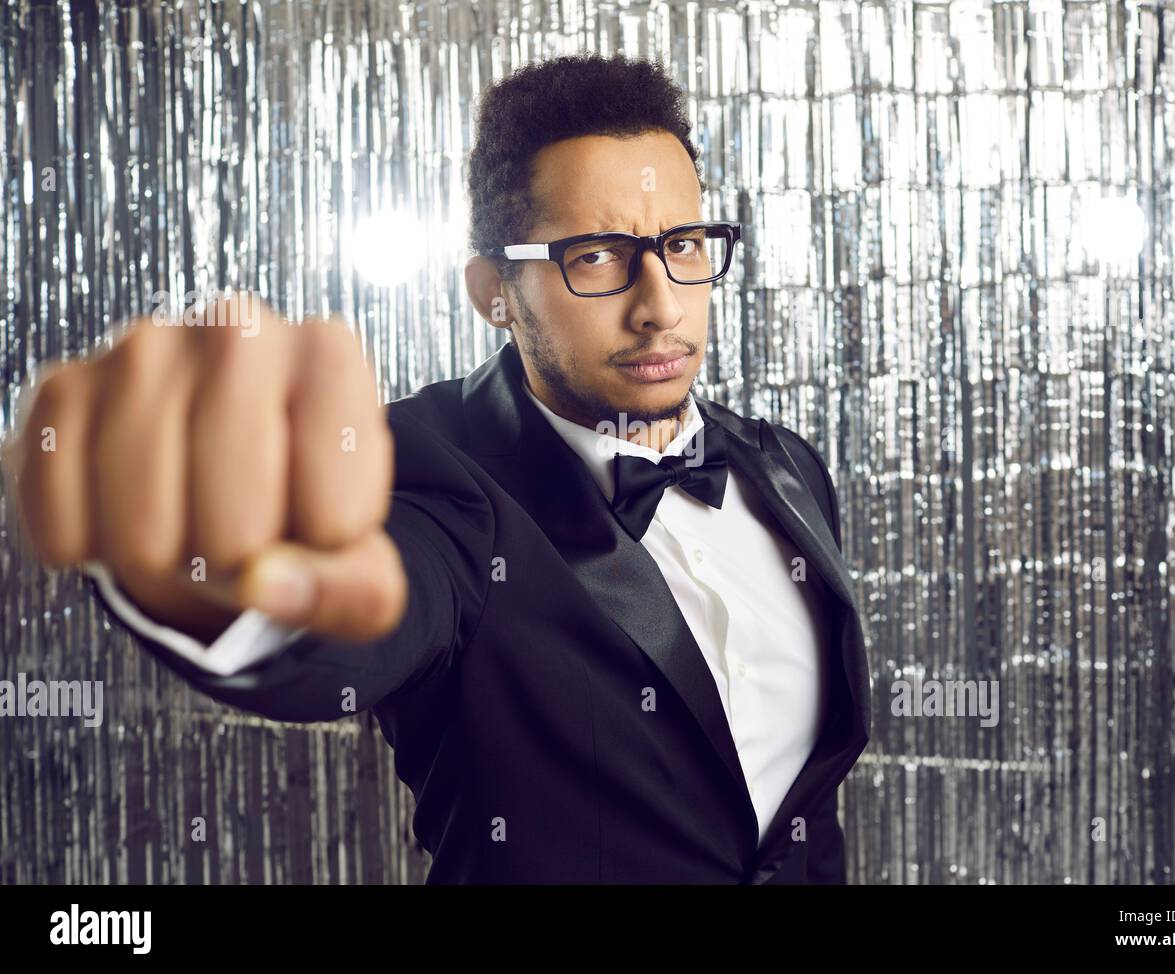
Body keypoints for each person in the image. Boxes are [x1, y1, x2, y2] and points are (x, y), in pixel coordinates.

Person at [7, 52, 871, 883]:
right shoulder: (429, 473)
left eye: (682, 244)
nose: (661, 306)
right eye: (596, 256)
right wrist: (211, 575)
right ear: (492, 290)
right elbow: (354, 614)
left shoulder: (784, 467)